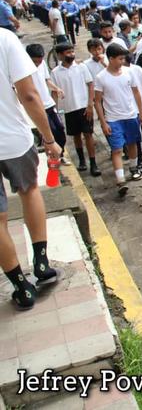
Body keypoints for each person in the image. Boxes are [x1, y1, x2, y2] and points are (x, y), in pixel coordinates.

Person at [0, 29, 62, 310]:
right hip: (13, 138)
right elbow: (28, 94)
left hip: (12, 138)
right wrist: (49, 139)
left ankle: (21, 287)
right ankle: (41, 261)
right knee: (29, 190)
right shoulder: (4, 39)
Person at [93, 44, 142, 196]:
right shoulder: (101, 77)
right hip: (113, 119)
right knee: (117, 149)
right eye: (120, 58)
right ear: (111, 59)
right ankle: (120, 179)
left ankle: (134, 168)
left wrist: (141, 113)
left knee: (133, 143)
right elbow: (97, 101)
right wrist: (103, 122)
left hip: (130, 115)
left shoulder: (129, 72)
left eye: (124, 58)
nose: (123, 61)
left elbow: (136, 93)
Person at [50, 43, 100, 176]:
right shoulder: (55, 73)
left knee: (88, 134)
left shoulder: (81, 67)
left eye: (72, 52)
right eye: (67, 52)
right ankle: (82, 160)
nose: (71, 54)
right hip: (69, 108)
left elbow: (90, 85)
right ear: (60, 55)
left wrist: (90, 104)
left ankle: (93, 163)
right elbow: (54, 92)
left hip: (84, 107)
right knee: (76, 135)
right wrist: (55, 110)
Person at [25, 44, 68, 163]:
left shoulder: (42, 64)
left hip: (49, 103)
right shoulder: (23, 69)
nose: (38, 64)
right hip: (37, 106)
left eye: (40, 61)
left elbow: (46, 79)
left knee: (60, 128)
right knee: (49, 132)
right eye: (35, 62)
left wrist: (56, 88)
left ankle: (61, 153)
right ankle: (52, 157)